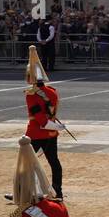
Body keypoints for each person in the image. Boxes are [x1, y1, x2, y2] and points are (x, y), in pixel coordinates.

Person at [23, 45, 65, 199]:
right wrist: (57, 126)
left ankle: (23, 191)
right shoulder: (52, 92)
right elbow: (50, 115)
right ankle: (57, 190)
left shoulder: (31, 95)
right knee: (54, 163)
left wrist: (52, 124)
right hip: (51, 133)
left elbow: (40, 120)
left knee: (26, 164)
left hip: (35, 133)